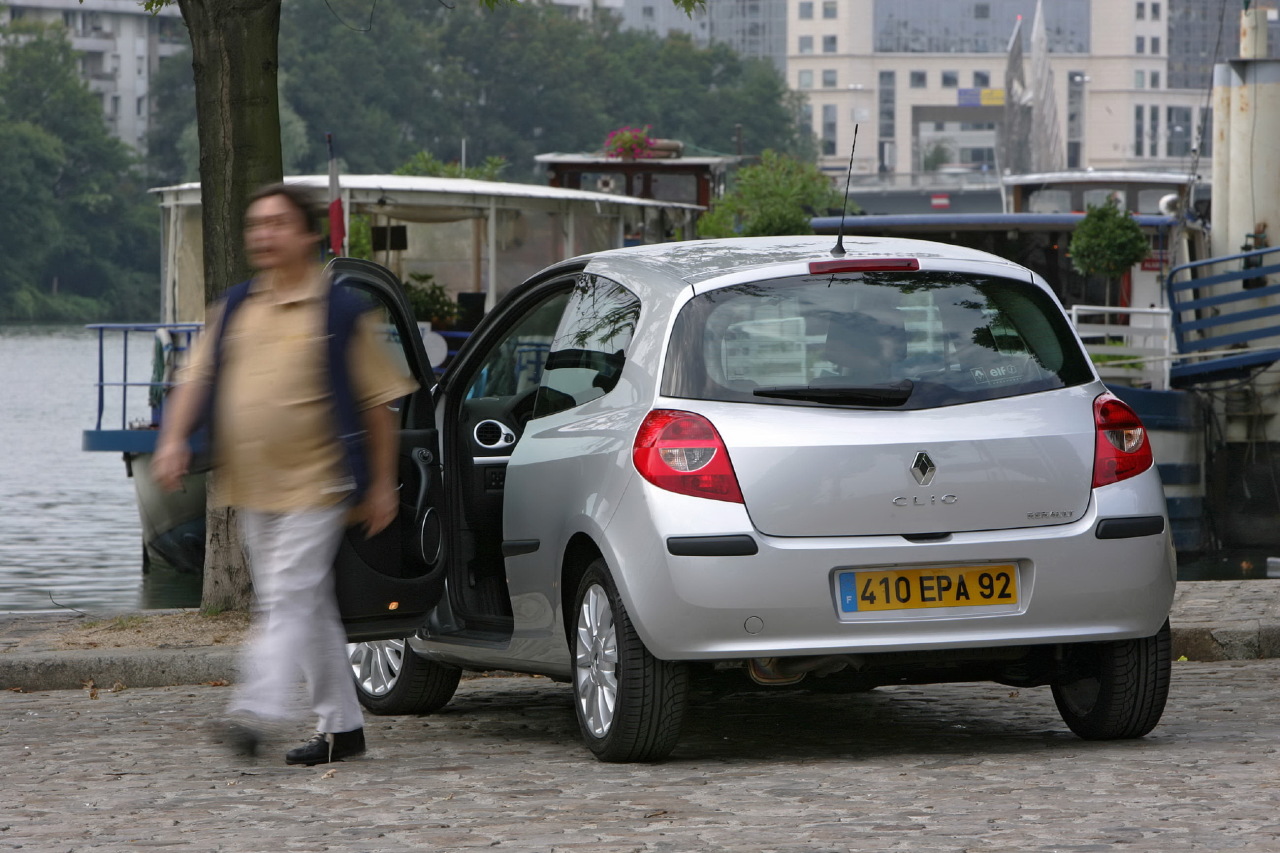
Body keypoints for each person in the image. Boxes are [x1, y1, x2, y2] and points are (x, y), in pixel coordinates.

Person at [153, 183, 417, 766]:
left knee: (288, 597)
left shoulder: (343, 311)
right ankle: (343, 729)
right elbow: (195, 380)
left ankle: (255, 711)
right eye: (256, 225)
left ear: (306, 235)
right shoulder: (237, 306)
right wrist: (172, 439)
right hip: (252, 484)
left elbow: (379, 404)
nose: (263, 235)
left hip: (318, 482)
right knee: (304, 603)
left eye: (276, 223)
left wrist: (379, 484)